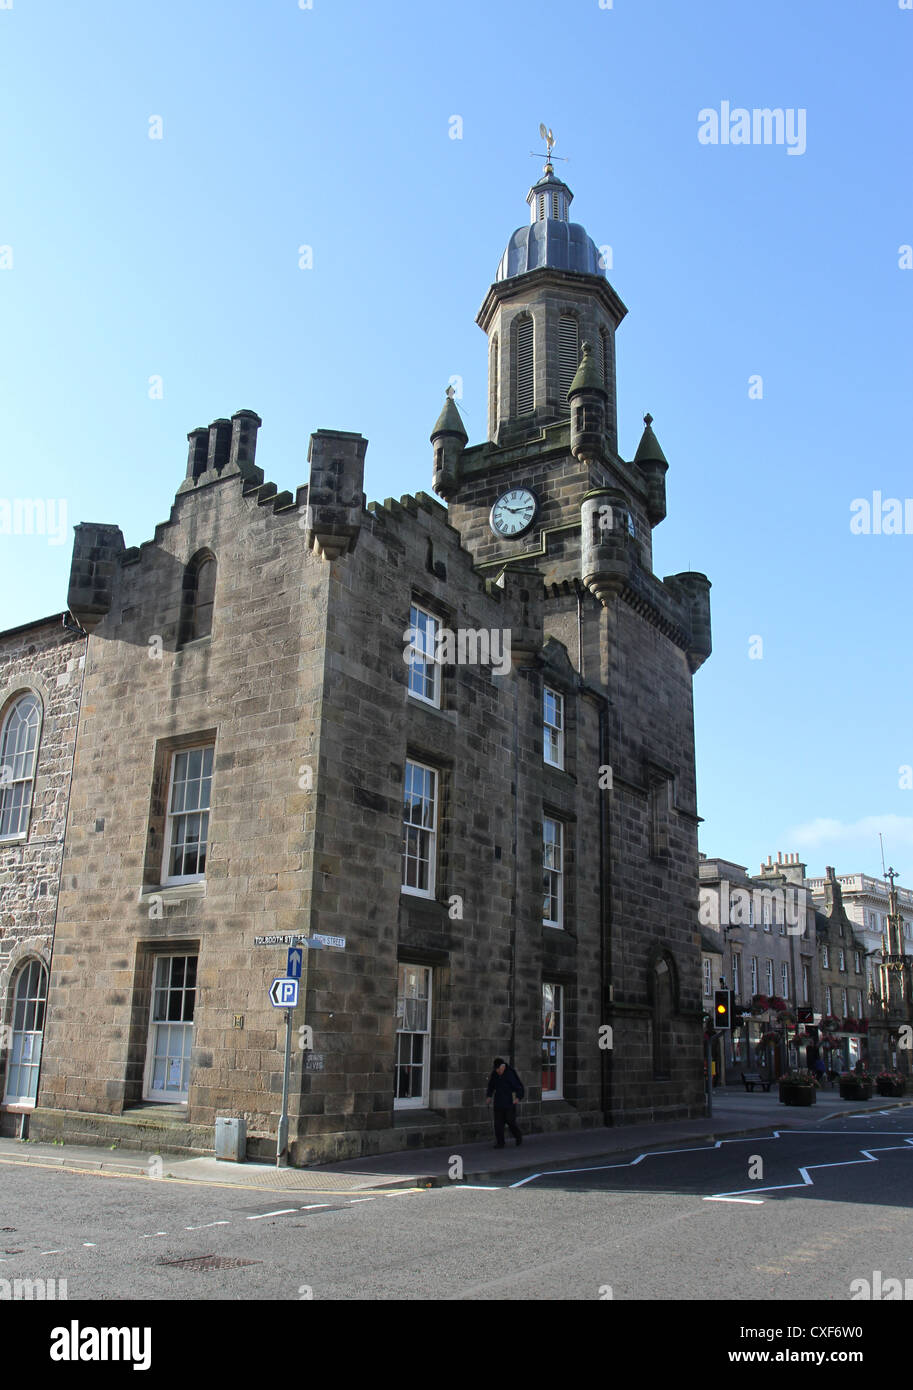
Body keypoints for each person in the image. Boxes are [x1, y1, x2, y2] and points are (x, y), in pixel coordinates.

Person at [486, 1057, 524, 1147]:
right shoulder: (495, 1074)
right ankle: (500, 1143)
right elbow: (491, 1086)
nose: (497, 1071)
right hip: (498, 1102)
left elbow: (519, 1087)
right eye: (496, 1070)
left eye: (499, 1070)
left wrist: (518, 1097)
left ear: (502, 1067)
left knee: (510, 1122)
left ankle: (518, 1136)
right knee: (498, 1124)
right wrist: (489, 1096)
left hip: (509, 1102)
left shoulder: (510, 1073)